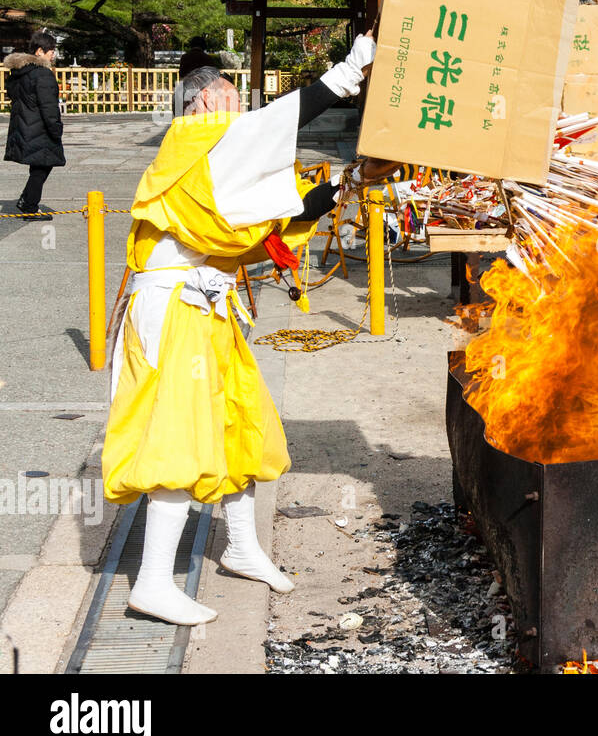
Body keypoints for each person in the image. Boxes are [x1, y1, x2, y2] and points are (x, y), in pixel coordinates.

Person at [103, 31, 395, 626]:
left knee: (240, 423)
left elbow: (269, 220)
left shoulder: (215, 162)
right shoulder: (191, 138)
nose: (245, 109)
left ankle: (240, 546)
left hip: (207, 305)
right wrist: (347, 71)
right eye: (235, 96)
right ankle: (154, 581)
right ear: (207, 100)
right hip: (175, 305)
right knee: (178, 439)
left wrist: (346, 183)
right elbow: (273, 128)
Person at [4, 31, 65, 219]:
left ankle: (27, 201)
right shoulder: (43, 74)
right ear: (39, 51)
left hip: (24, 127)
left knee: (39, 165)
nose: (53, 54)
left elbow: (14, 96)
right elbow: (49, 107)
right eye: (51, 51)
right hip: (40, 128)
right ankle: (29, 205)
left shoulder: (19, 72)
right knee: (43, 165)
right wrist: (56, 129)